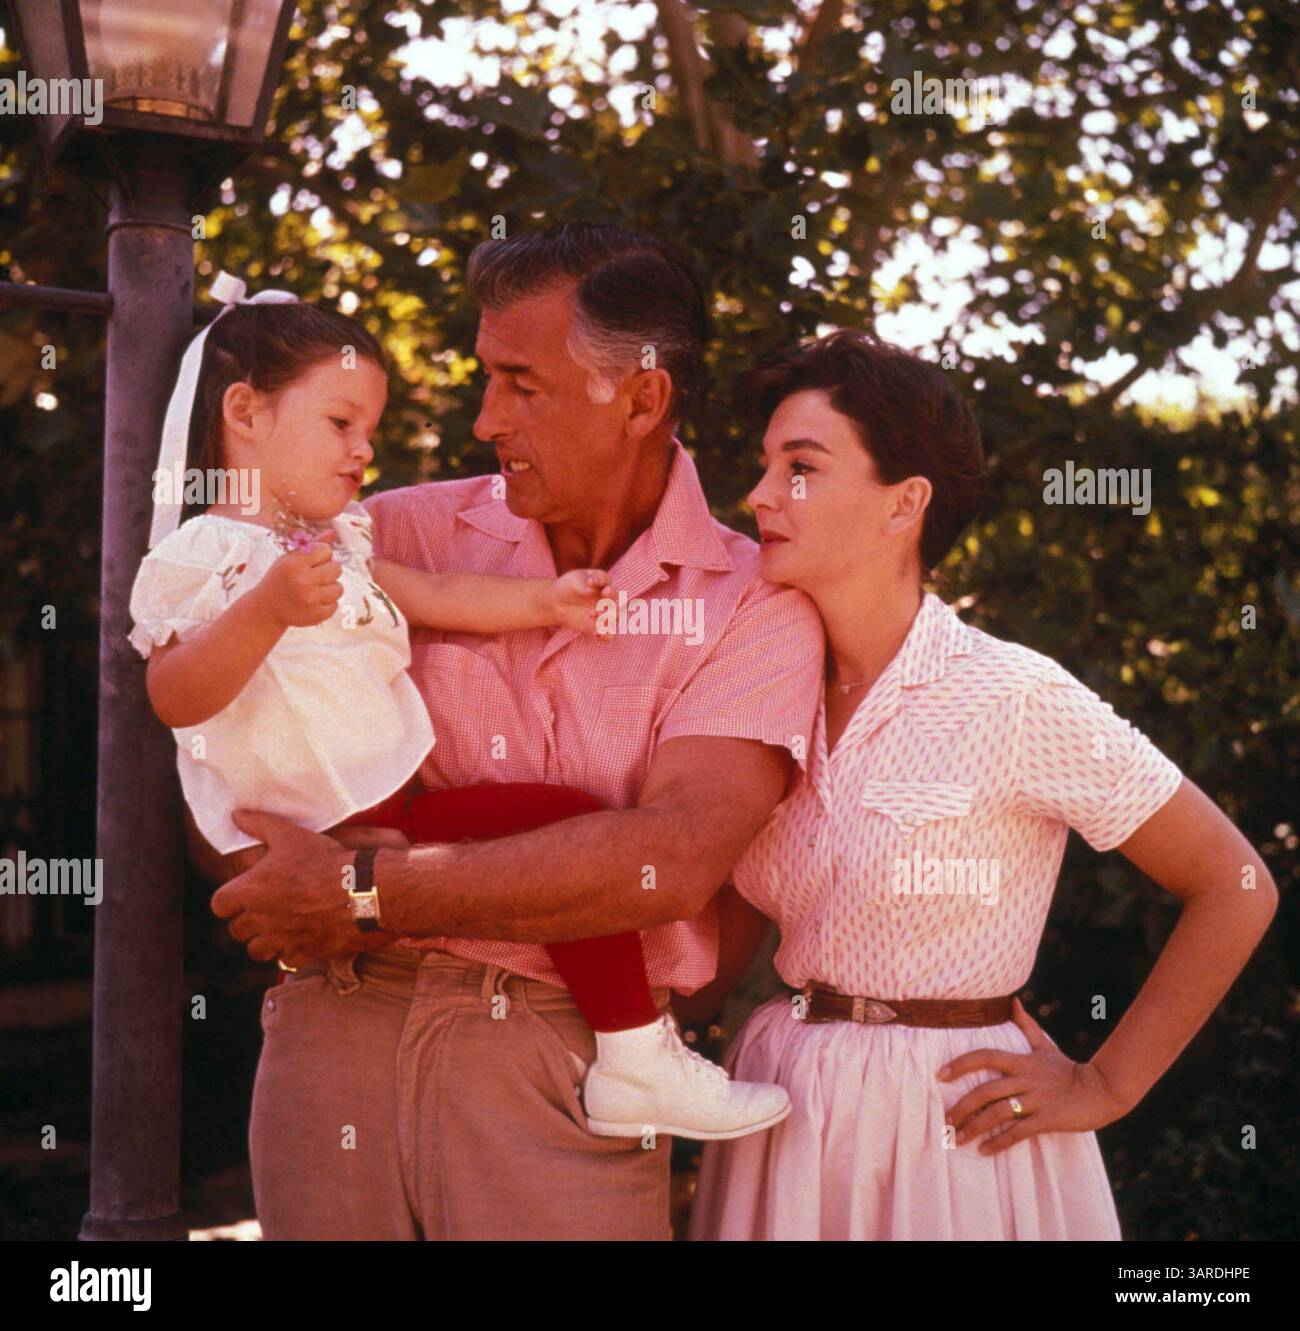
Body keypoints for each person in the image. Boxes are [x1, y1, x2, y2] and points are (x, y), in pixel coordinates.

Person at [197, 224, 827, 1240]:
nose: (486, 417)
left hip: (568, 1062)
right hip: (330, 1034)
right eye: (485, 377)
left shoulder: (755, 604)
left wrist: (360, 886)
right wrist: (272, 867)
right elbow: (225, 753)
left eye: (521, 385)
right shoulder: (386, 536)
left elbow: (665, 861)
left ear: (642, 398)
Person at [686, 329, 1279, 1240]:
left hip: (955, 1130)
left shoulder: (1011, 694)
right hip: (784, 1107)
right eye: (765, 465)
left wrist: (1105, 1082)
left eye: (800, 466)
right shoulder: (759, 690)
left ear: (904, 505)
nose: (760, 495)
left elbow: (1236, 885)